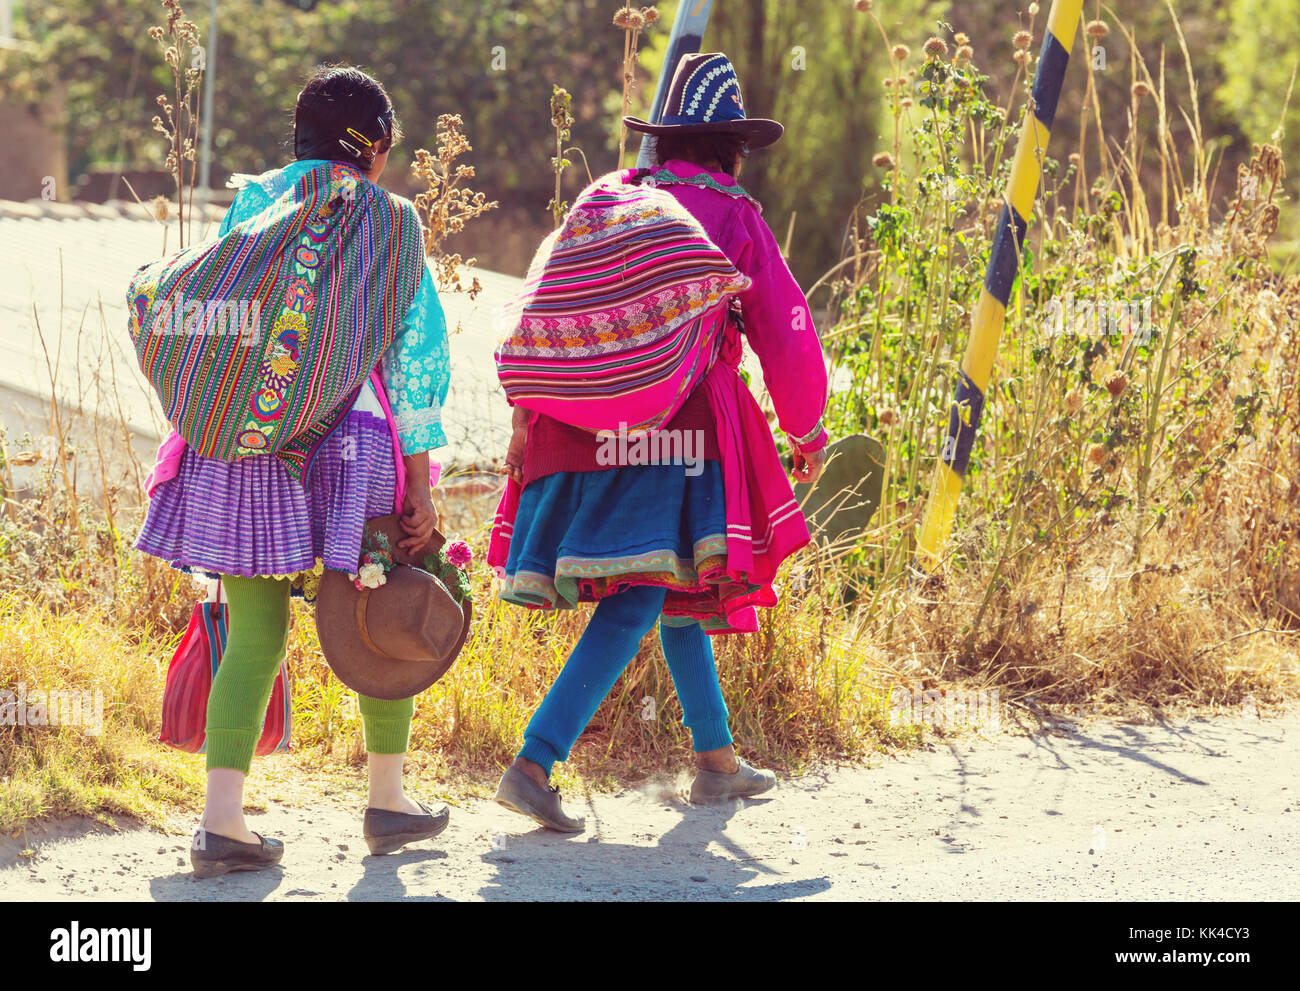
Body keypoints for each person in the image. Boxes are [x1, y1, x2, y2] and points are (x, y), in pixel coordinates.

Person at [490, 53, 829, 832]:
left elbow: (544, 305)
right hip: (679, 429)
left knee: (667, 576)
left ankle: (715, 762)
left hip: (580, 425)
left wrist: (525, 416)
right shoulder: (731, 213)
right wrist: (804, 428)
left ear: (665, 141)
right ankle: (535, 760)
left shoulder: (609, 199)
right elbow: (783, 327)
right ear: (730, 148)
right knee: (646, 588)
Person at [136, 65, 453, 876]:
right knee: (382, 613)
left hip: (249, 446)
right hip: (359, 447)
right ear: (376, 149)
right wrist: (419, 481)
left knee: (258, 631)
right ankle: (388, 800)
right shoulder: (394, 222)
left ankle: (222, 822)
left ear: (302, 137)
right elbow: (413, 357)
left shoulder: (257, 200)